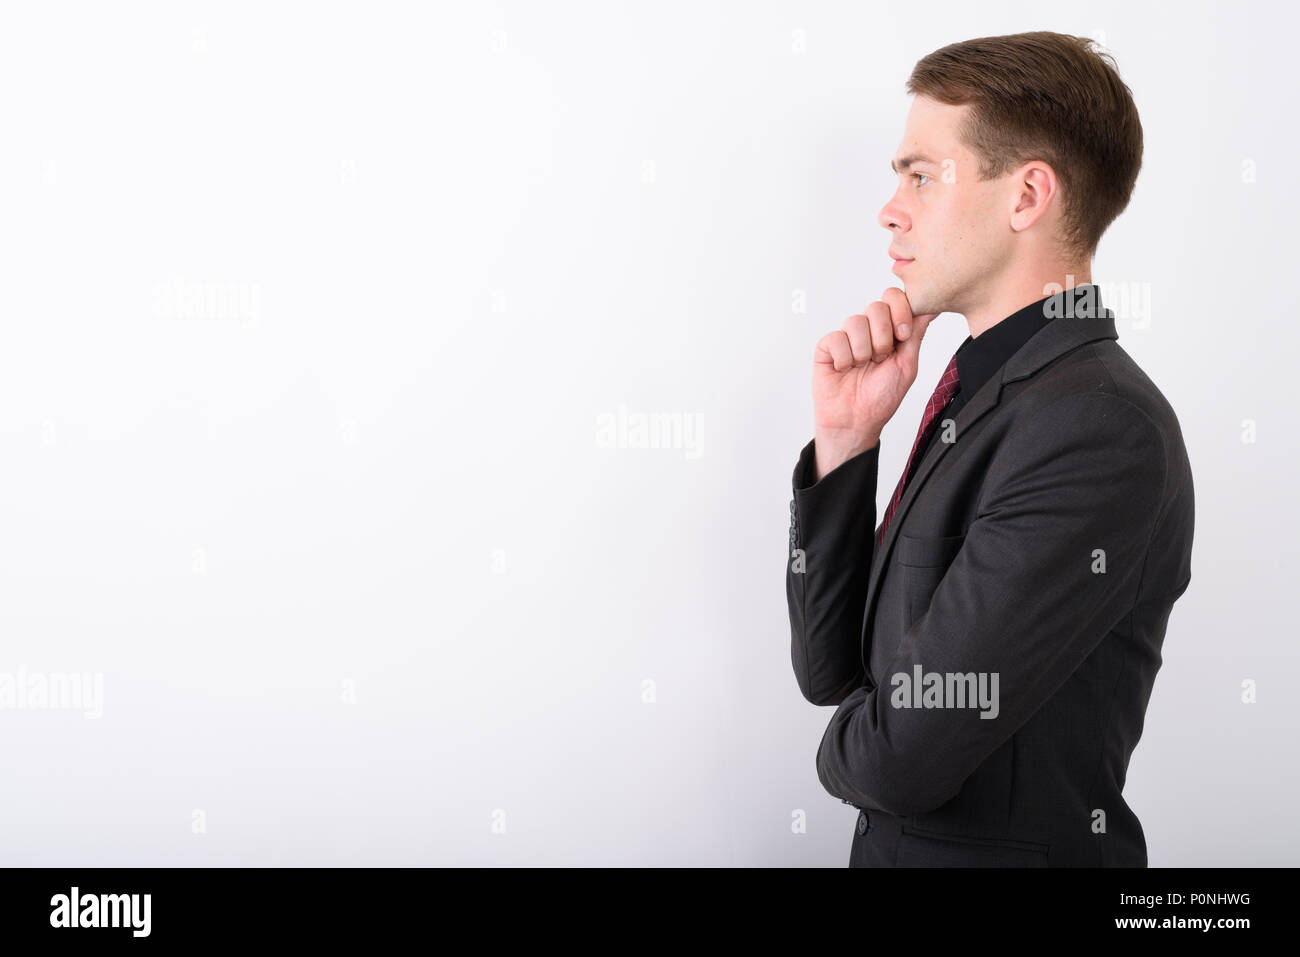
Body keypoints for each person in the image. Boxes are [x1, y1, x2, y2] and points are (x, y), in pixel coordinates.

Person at [785, 31, 1194, 867]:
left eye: (922, 174)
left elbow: (900, 760)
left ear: (1027, 195)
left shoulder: (1098, 427)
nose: (889, 207)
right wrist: (847, 442)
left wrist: (826, 755)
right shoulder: (985, 398)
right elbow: (829, 671)